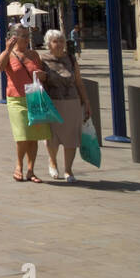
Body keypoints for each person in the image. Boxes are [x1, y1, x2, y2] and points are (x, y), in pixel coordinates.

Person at [0, 24, 48, 183]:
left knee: (34, 137)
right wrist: (7, 49)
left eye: (27, 35)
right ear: (14, 37)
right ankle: (19, 166)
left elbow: (44, 76)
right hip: (16, 98)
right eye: (23, 36)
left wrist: (42, 75)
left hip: (34, 97)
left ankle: (31, 170)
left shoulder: (34, 54)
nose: (26, 39)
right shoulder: (9, 54)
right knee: (22, 135)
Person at [39, 29, 91, 183]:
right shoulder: (43, 59)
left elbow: (79, 83)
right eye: (55, 41)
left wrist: (86, 102)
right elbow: (39, 82)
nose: (59, 44)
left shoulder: (71, 59)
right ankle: (53, 161)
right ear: (48, 44)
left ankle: (68, 169)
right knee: (52, 138)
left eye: (61, 41)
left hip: (72, 102)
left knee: (71, 139)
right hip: (52, 102)